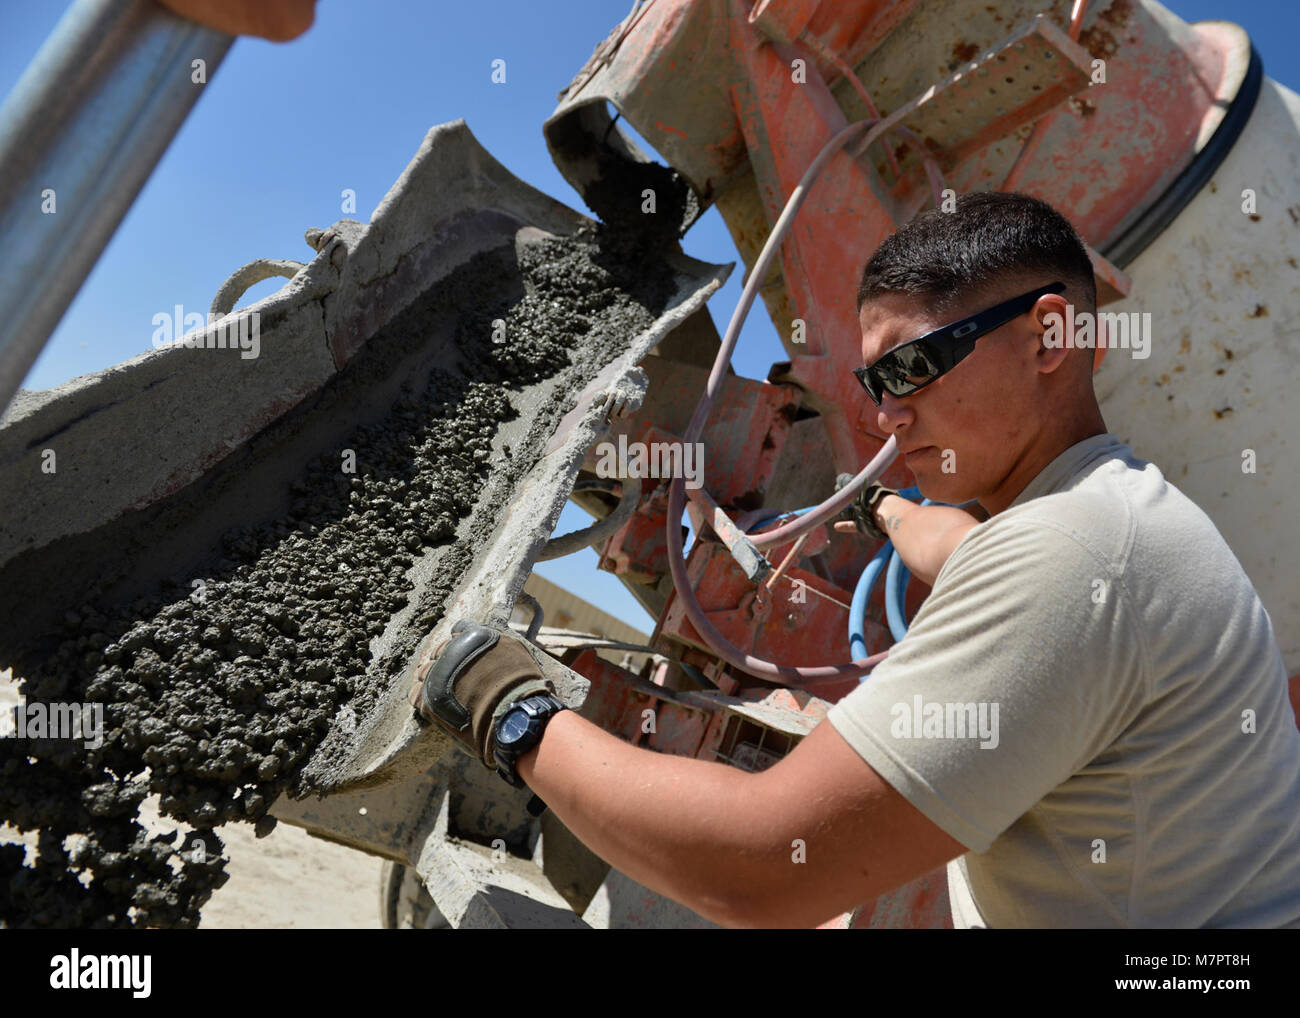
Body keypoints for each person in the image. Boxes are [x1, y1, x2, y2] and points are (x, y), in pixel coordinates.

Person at [412, 192, 1300, 928]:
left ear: (1049, 339)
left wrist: (509, 711)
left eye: (912, 368)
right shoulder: (1118, 513)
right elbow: (955, 546)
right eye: (875, 384)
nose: (884, 417)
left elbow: (762, 869)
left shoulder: (1071, 554)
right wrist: (878, 507)